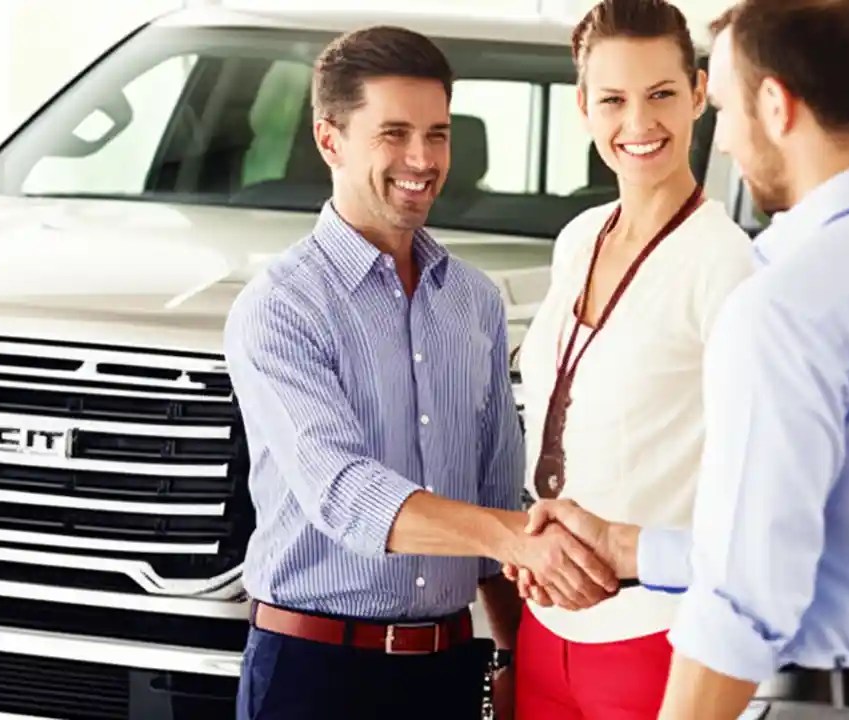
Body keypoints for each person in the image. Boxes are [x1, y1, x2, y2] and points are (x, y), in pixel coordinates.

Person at [520, 1, 849, 718]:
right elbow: (836, 534)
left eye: (724, 107)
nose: (723, 140)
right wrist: (633, 549)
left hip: (827, 702)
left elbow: (746, 592)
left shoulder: (787, 299)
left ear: (776, 106)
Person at [222, 25, 618, 720]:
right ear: (329, 140)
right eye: (394, 133)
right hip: (314, 676)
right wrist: (518, 538)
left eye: (438, 134)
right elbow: (344, 492)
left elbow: (495, 488)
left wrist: (515, 657)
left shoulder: (474, 301)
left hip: (448, 673)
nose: (422, 159)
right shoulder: (281, 306)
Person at [502, 1, 755, 718]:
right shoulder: (579, 237)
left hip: (656, 637)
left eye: (662, 94)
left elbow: (752, 486)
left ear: (700, 94)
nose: (638, 123)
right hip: (548, 627)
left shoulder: (726, 265)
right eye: (613, 99)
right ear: (583, 106)